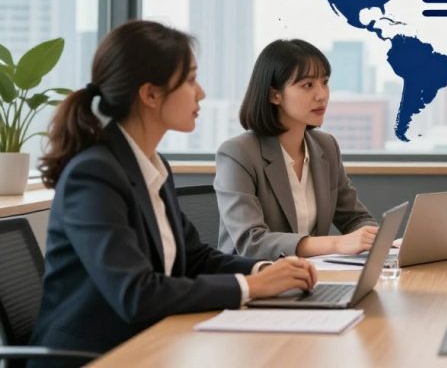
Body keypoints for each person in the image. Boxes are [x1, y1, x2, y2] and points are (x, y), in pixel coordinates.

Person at [30, 21, 317, 364]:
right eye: (191, 80)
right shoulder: (94, 174)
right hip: (96, 357)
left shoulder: (150, 164)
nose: (201, 93)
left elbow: (195, 258)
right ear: (150, 94)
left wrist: (266, 270)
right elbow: (136, 294)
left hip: (153, 342)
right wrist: (252, 287)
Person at [215, 39, 377, 259]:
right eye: (308, 85)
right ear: (275, 95)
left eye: (325, 82)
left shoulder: (326, 146)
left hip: (312, 277)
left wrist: (374, 237)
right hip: (255, 280)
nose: (322, 95)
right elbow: (252, 241)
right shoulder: (238, 153)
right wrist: (337, 243)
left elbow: (355, 218)